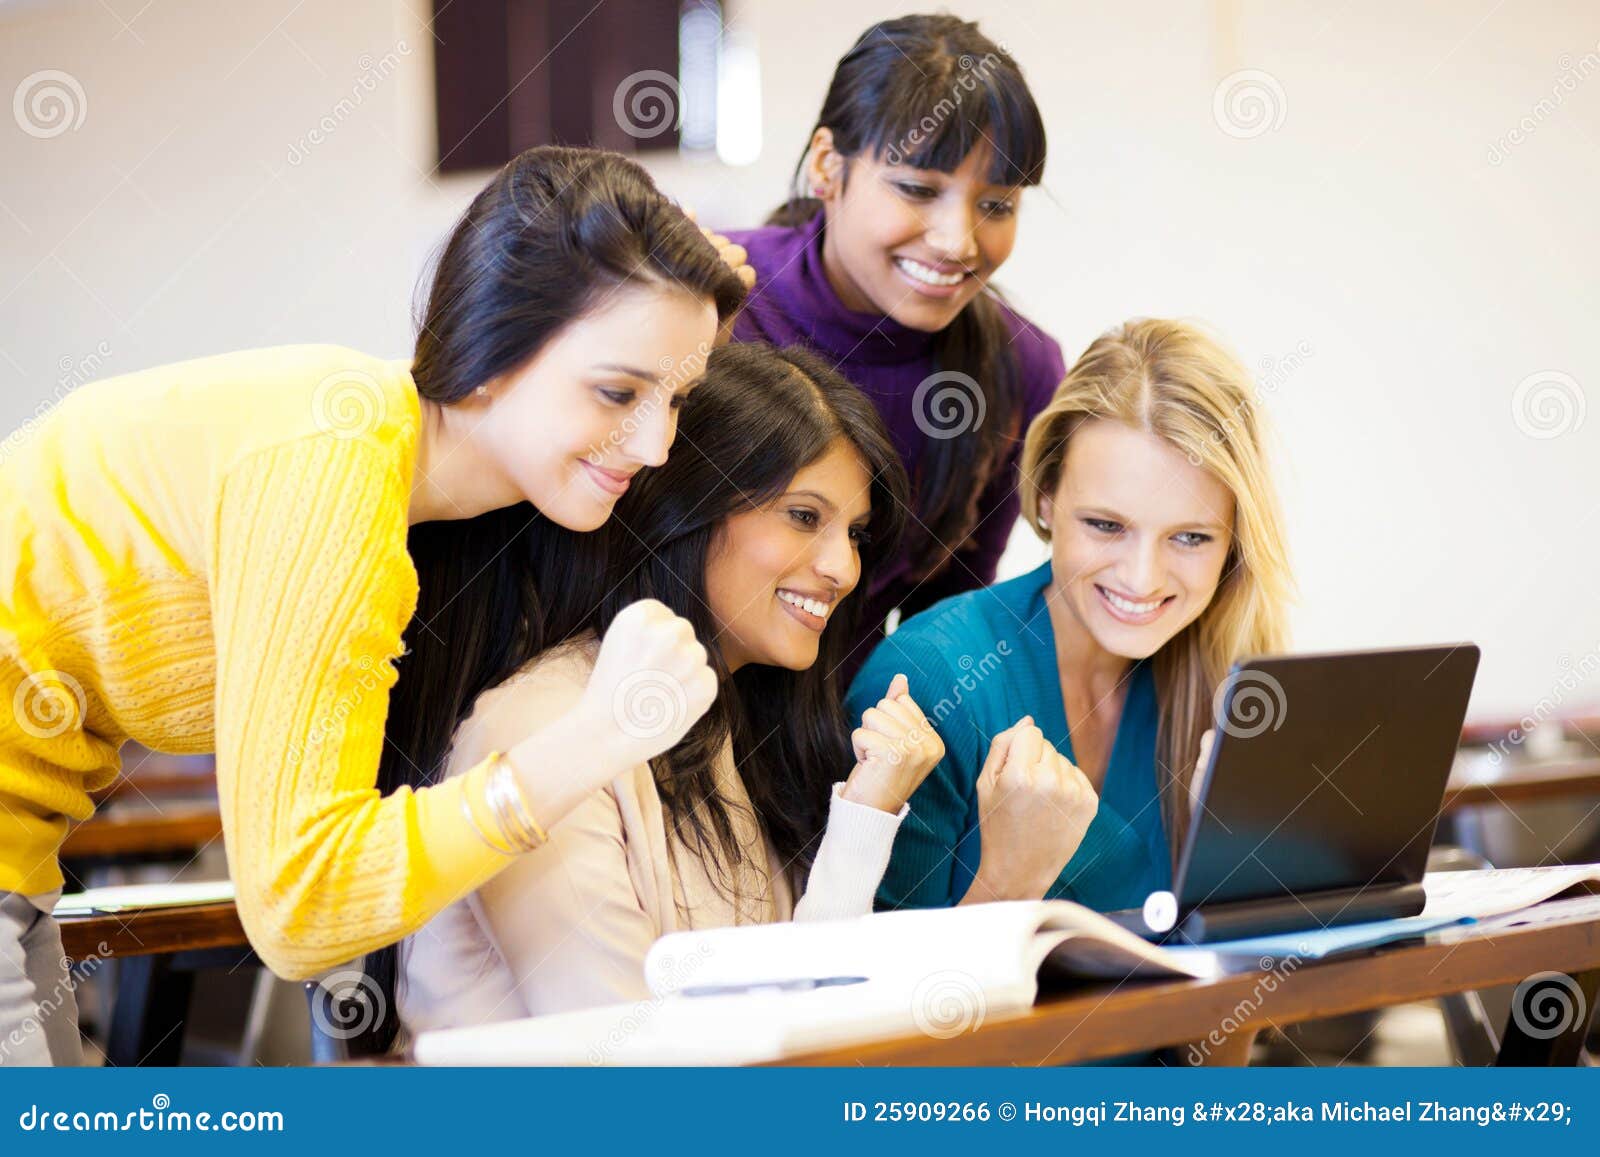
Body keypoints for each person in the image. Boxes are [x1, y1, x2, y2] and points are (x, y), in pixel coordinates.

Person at [0, 145, 746, 1065]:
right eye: (618, 391)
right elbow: (300, 905)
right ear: (492, 345)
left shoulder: (383, 459)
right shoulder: (332, 469)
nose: (657, 444)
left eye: (676, 398)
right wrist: (594, 739)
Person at [397, 343, 945, 1035]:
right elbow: (634, 1055)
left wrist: (865, 816)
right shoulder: (542, 728)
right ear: (685, 510)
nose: (843, 567)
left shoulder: (733, 723)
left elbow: (801, 1020)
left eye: (856, 534)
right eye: (804, 517)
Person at [850, 318, 1294, 914]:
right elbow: (879, 971)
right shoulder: (931, 682)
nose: (1142, 578)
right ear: (1044, 498)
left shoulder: (1235, 686)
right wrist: (1009, 880)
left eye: (1190, 537)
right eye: (1106, 525)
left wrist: (1240, 863)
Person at [722, 14, 1065, 670]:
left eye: (996, 204)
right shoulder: (711, 300)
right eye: (917, 190)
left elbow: (942, 639)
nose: (957, 242)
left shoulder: (1020, 370)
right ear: (827, 166)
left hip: (848, 722)